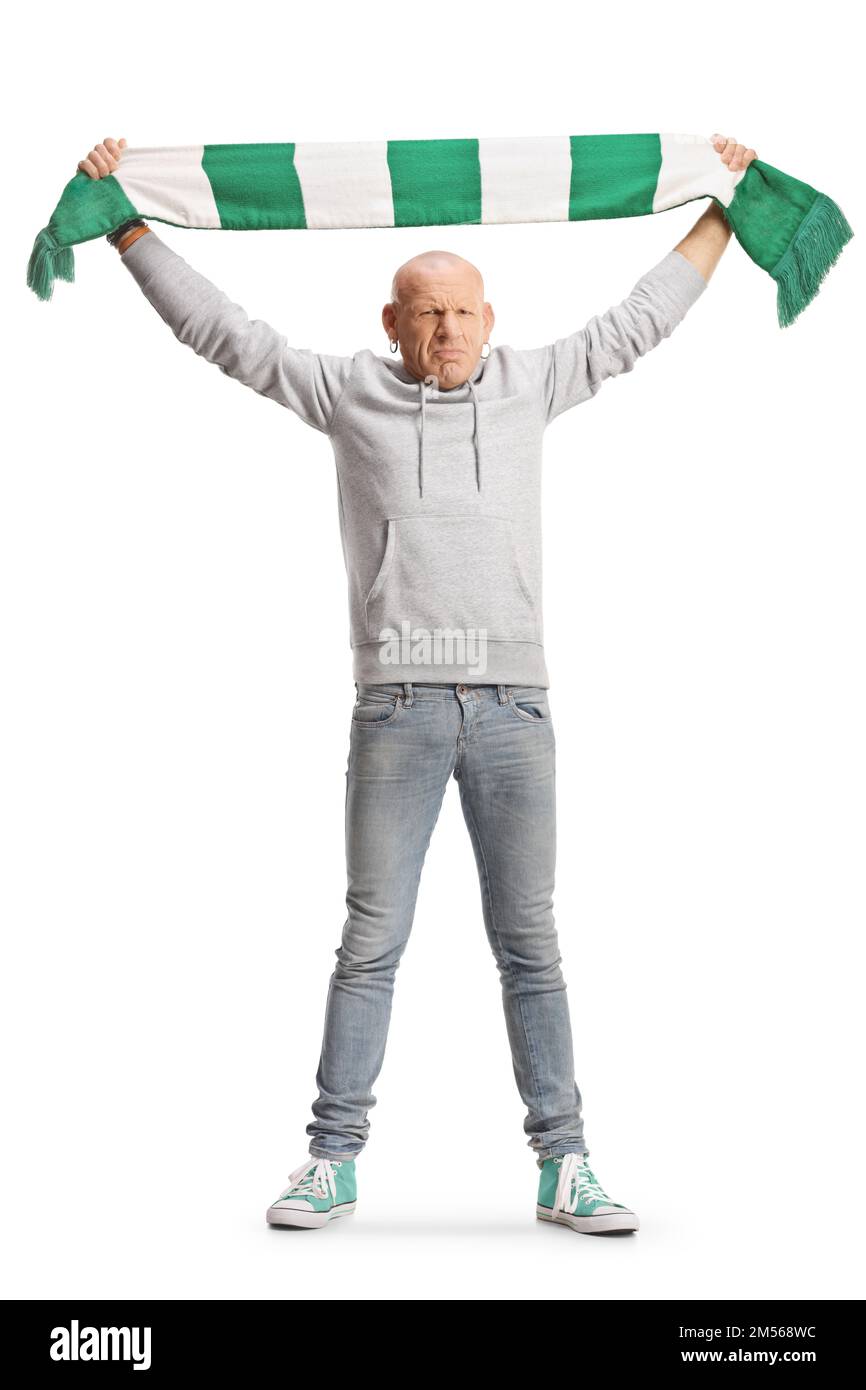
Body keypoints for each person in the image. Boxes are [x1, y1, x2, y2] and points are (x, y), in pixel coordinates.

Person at [80, 133, 757, 1237]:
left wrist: (724, 203)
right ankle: (330, 1159)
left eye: (463, 311)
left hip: (514, 711)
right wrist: (123, 222)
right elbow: (223, 332)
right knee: (369, 938)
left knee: (529, 943)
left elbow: (641, 319)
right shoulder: (348, 394)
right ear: (391, 323)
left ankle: (564, 1162)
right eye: (423, 311)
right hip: (395, 707)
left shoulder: (533, 383)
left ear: (487, 320)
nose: (445, 329)